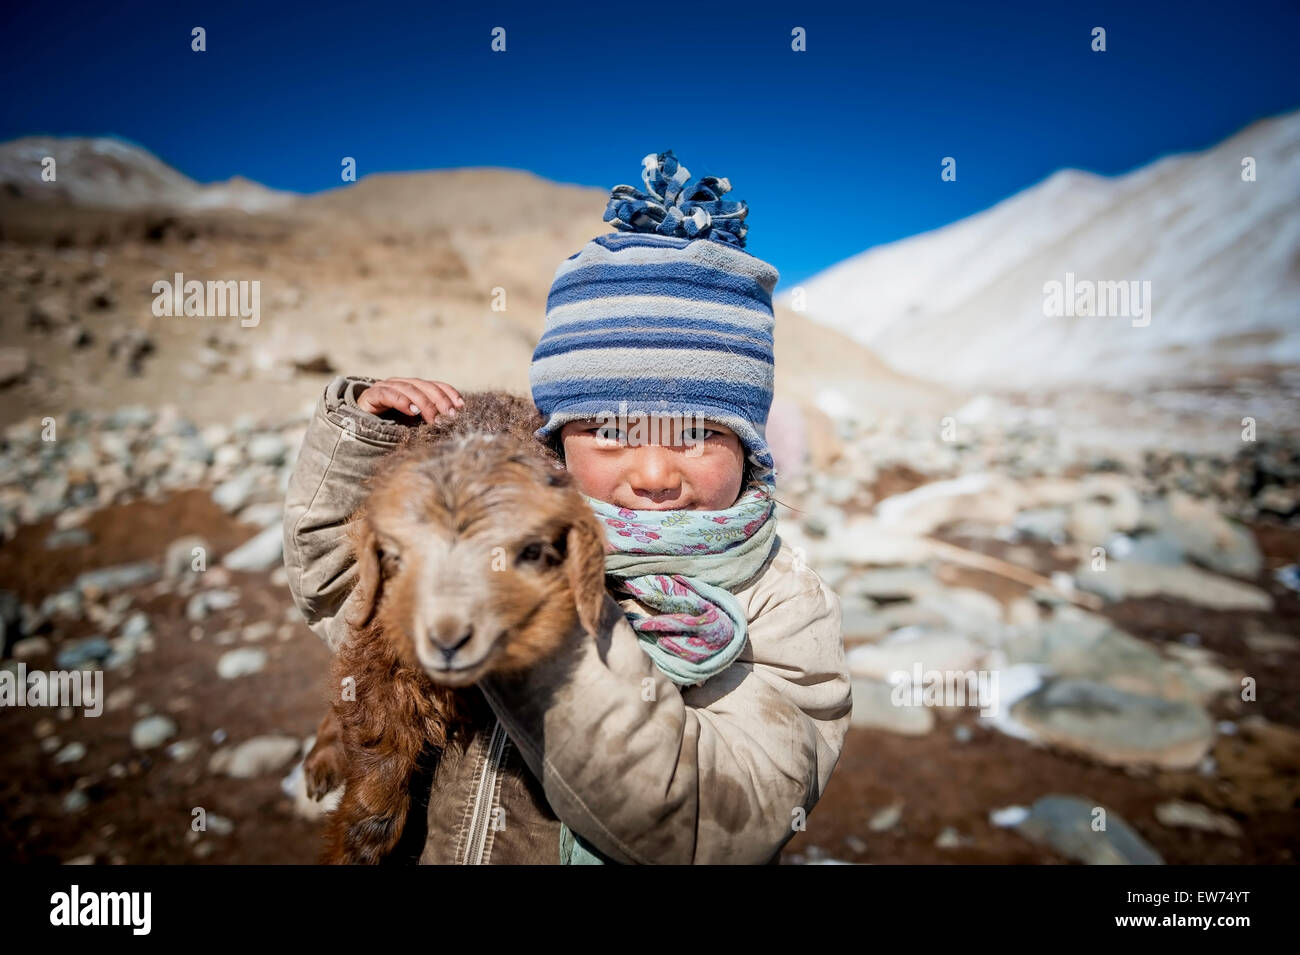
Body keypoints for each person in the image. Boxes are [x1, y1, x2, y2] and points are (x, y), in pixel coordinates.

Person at [282, 150, 852, 864]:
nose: (652, 473)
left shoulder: (781, 607)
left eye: (699, 432)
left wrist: (534, 630)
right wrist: (366, 438)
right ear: (555, 438)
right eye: (611, 430)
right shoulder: (484, 540)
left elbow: (717, 825)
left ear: (750, 445)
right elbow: (341, 591)